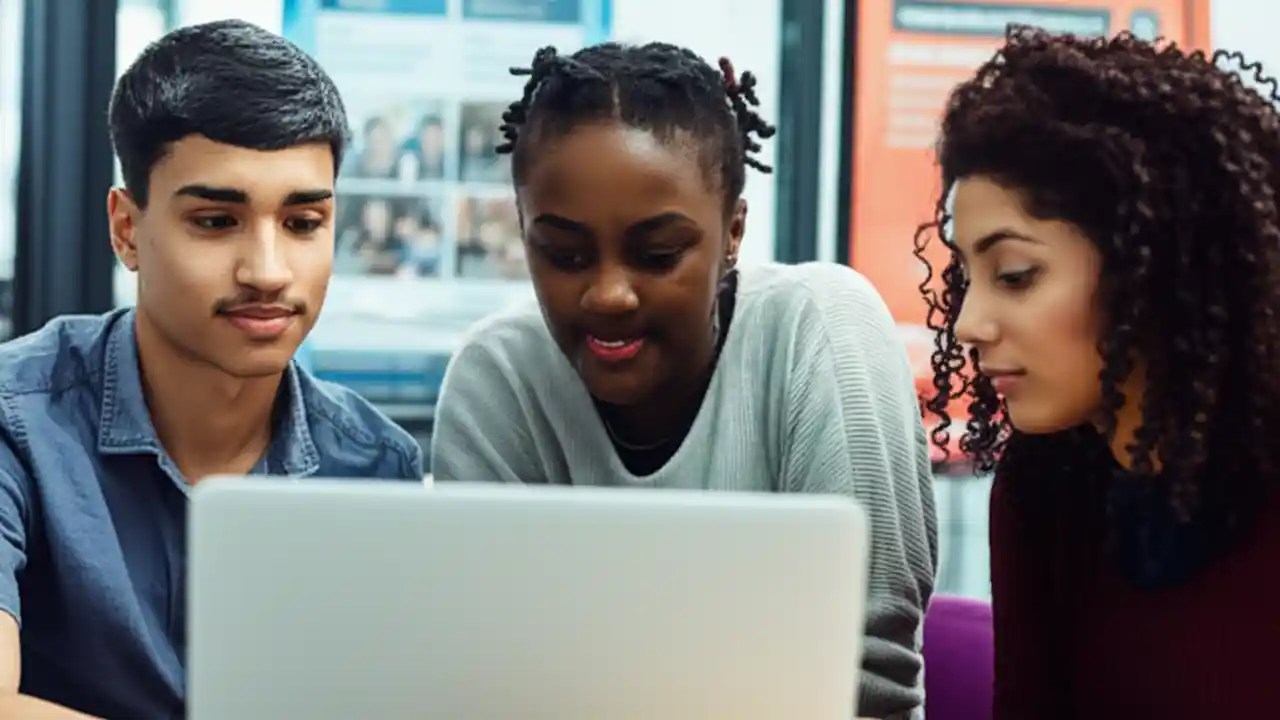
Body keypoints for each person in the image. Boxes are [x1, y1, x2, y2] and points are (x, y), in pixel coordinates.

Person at [431, 42, 937, 719]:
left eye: (658, 254)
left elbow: (865, 685)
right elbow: (487, 679)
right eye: (564, 254)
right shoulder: (497, 380)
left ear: (733, 232)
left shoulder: (822, 331)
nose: (608, 294)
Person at [0, 20, 424, 719]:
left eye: (303, 223)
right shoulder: (19, 419)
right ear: (126, 229)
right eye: (215, 221)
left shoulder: (378, 468)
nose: (267, 272)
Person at [916, 26, 1280, 719]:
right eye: (966, 276)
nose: (968, 322)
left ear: (1151, 267)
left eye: (1015, 276)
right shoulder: (1043, 485)